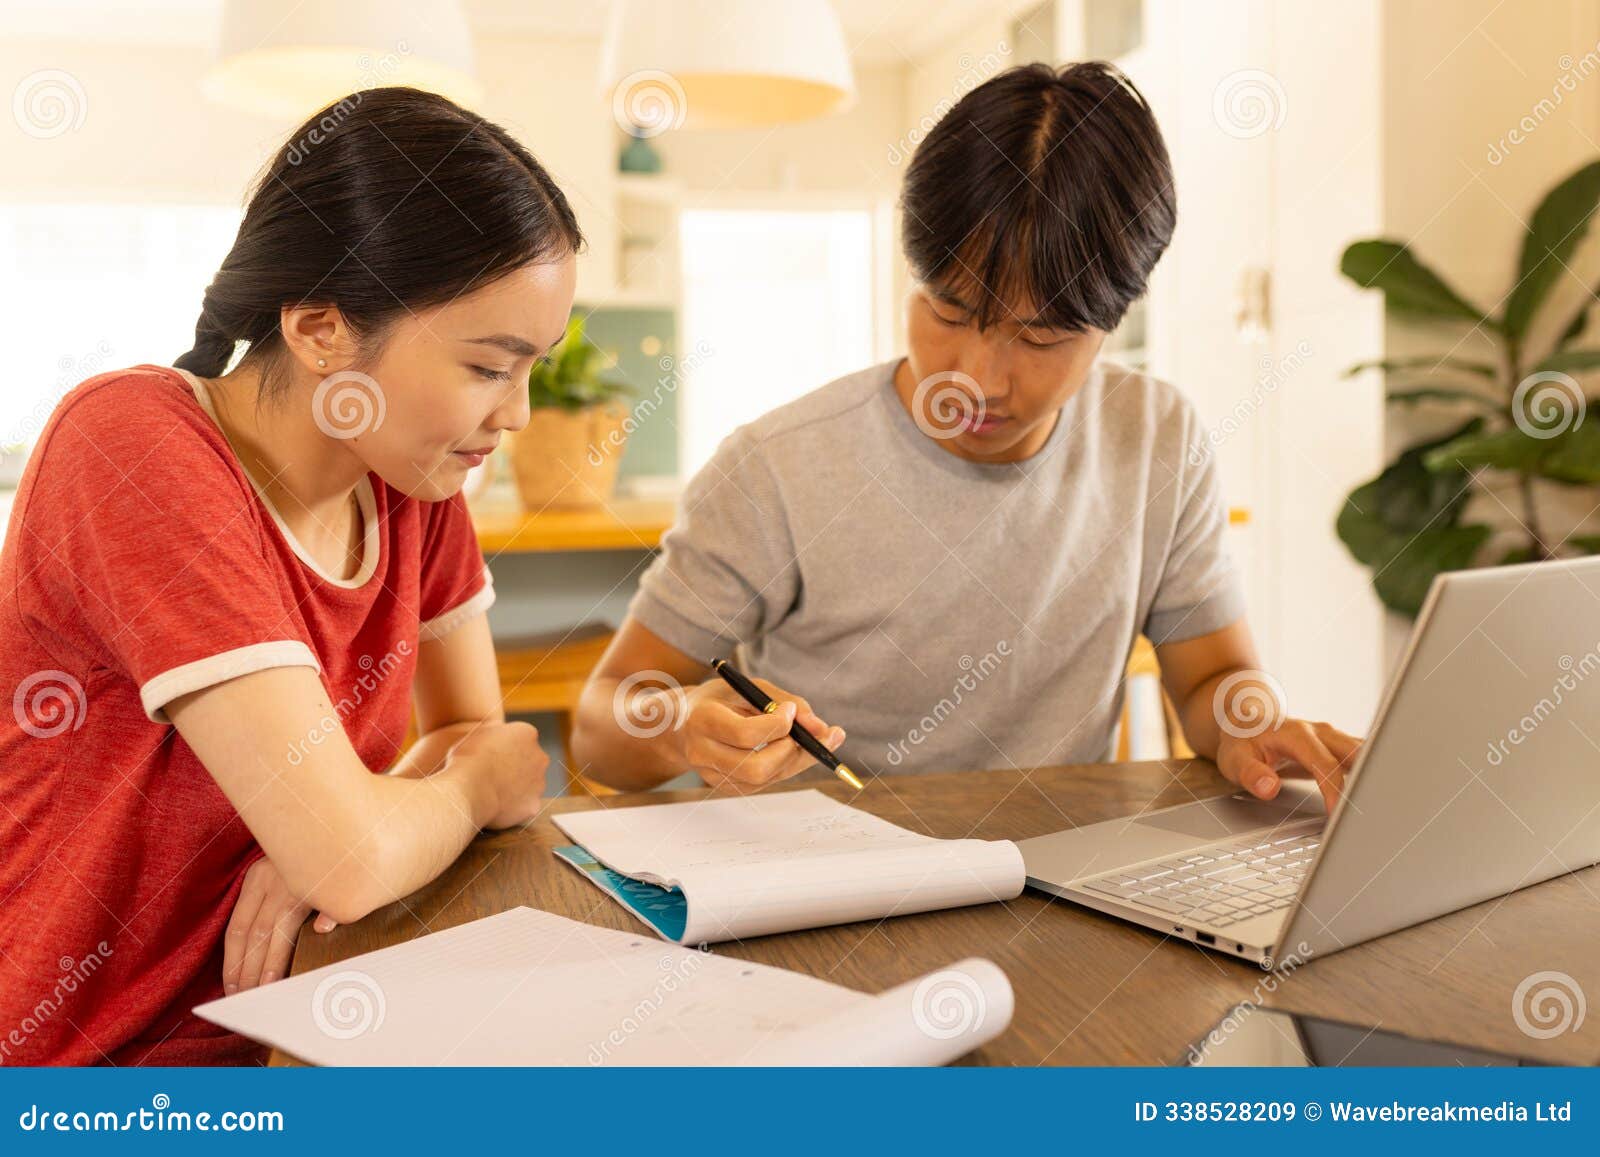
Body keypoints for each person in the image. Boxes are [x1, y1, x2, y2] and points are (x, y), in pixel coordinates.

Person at [571, 62, 1361, 808]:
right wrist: (680, 727)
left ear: (1114, 321)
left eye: (1041, 337)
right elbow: (601, 726)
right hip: (824, 893)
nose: (976, 378)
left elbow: (1209, 679)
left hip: (1058, 885)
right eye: (948, 311)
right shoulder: (775, 466)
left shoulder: (1157, 437)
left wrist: (1253, 727)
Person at [0, 88, 578, 1065]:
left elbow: (474, 744)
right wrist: (402, 816)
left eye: (536, 368)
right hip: (86, 1069)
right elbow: (458, 783)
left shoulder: (415, 483)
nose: (516, 412)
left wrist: (339, 834)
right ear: (320, 331)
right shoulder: (129, 445)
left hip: (299, 1017)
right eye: (489, 366)